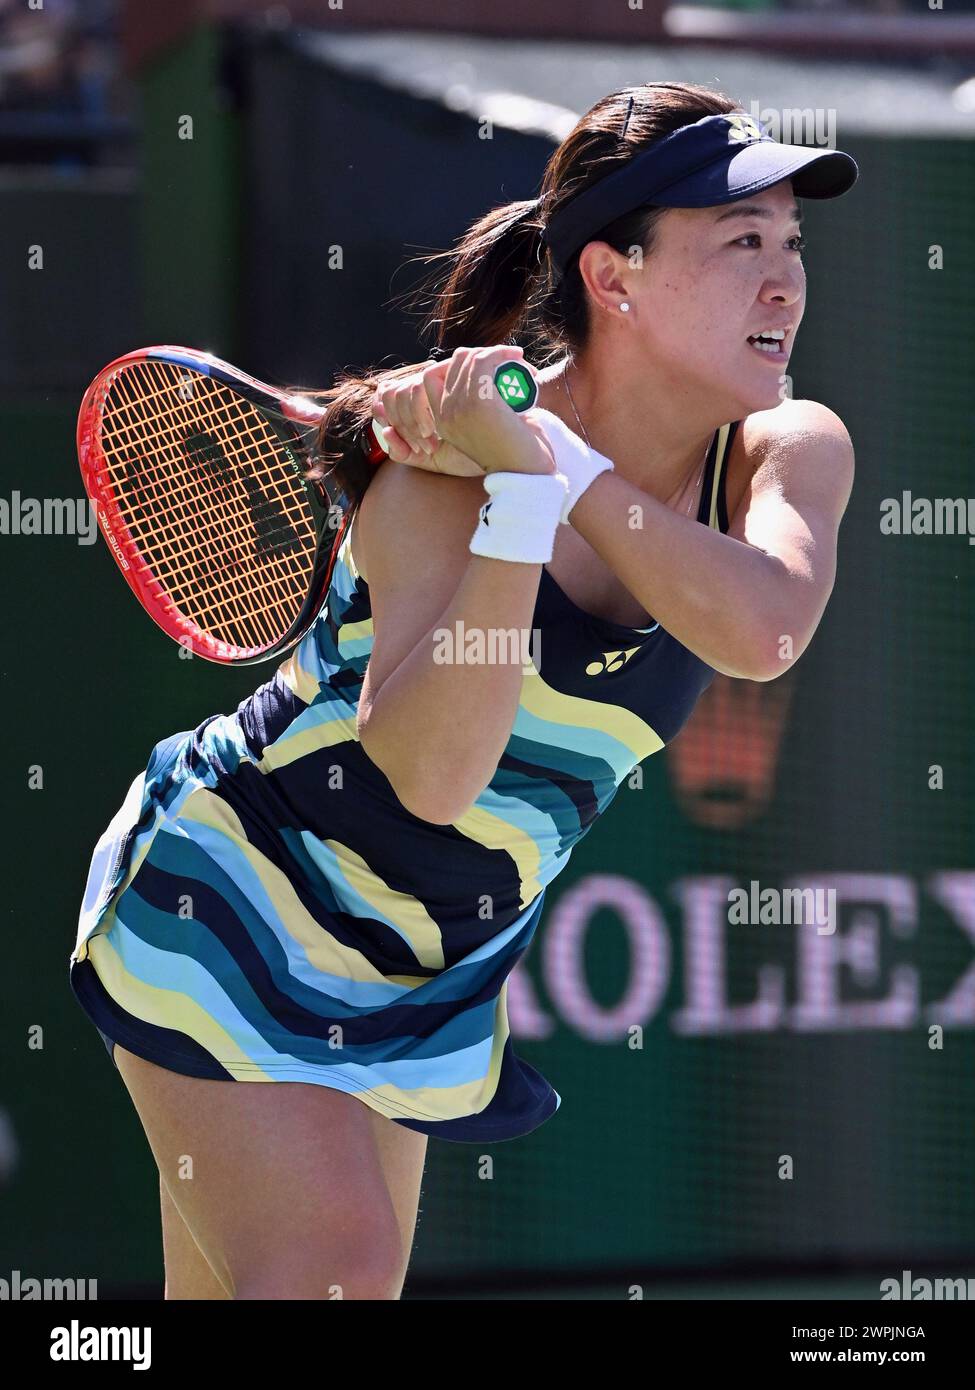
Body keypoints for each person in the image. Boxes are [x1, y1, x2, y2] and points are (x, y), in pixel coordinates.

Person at [69, 80, 858, 1300]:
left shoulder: (790, 450)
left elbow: (765, 629)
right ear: (614, 278)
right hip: (235, 897)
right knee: (334, 1277)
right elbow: (434, 780)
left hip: (426, 973)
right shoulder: (442, 478)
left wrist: (554, 464)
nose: (785, 282)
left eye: (791, 243)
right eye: (741, 241)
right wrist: (518, 501)